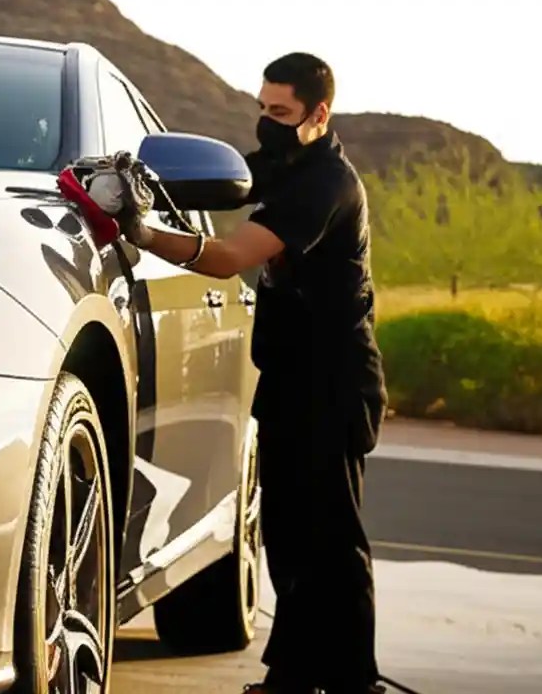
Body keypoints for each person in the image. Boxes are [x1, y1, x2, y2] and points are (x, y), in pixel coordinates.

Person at [105, 53, 387, 694]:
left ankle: (352, 680)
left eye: (281, 113)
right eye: (262, 109)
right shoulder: (284, 168)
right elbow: (212, 189)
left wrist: (140, 233)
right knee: (288, 535)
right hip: (289, 381)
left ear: (319, 115)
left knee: (332, 537)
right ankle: (292, 674)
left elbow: (231, 255)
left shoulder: (326, 185)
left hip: (335, 386)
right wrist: (133, 182)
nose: (268, 123)